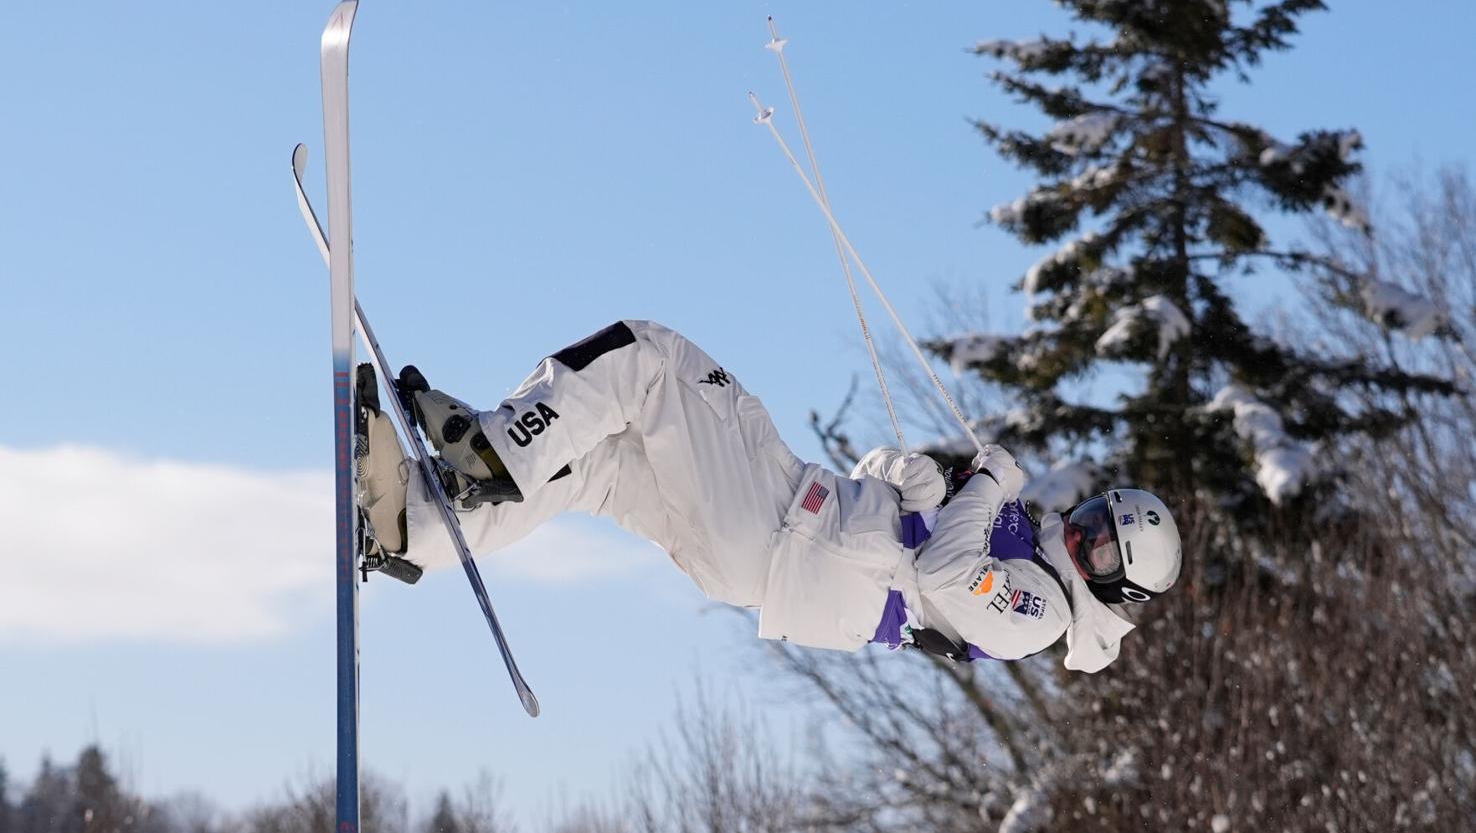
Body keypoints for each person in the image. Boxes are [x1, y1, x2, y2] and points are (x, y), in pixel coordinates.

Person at [356, 320, 1182, 673]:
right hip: (788, 534)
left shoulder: (1042, 617)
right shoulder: (1024, 568)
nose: (1077, 536)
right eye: (1089, 519)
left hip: (787, 533)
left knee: (647, 355)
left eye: (1098, 548)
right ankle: (414, 527)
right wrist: (916, 479)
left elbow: (940, 573)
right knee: (600, 462)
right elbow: (887, 483)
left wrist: (993, 480)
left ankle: (494, 450)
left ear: (1115, 586)